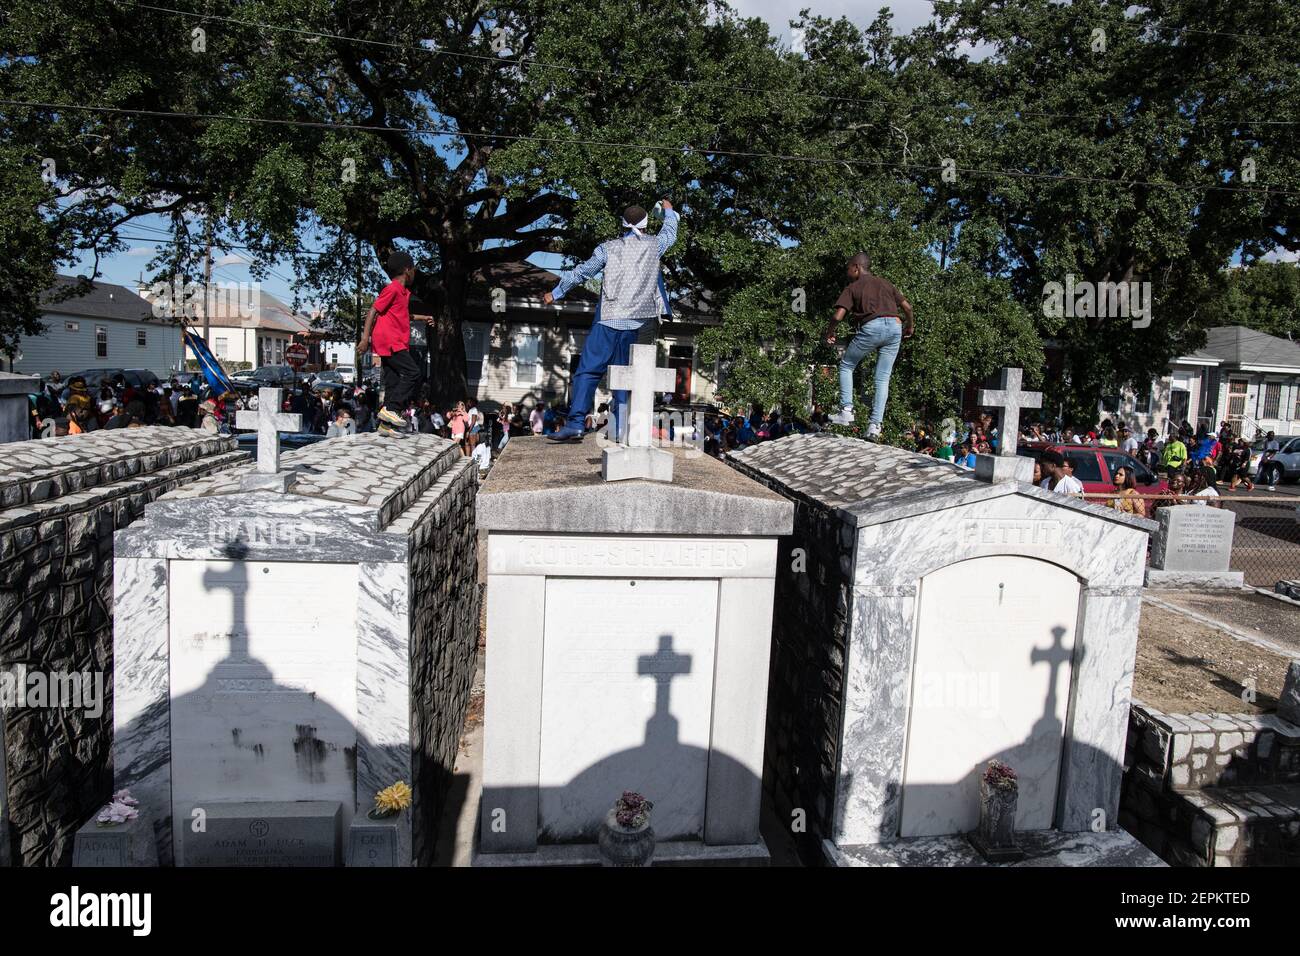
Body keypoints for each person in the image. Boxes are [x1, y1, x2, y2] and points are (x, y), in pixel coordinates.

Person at [543, 198, 681, 442]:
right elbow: (670, 232)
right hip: (638, 322)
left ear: (623, 224)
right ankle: (619, 430)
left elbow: (582, 272)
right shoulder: (655, 245)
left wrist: (556, 293)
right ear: (647, 224)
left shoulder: (607, 248)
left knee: (587, 372)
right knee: (624, 378)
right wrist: (668, 211)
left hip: (608, 319)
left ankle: (575, 425)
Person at [824, 252, 914, 436]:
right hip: (896, 326)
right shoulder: (886, 283)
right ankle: (875, 425)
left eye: (849, 268)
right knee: (882, 378)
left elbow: (837, 316)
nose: (847, 272)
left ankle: (846, 411)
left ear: (856, 267)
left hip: (873, 326)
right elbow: (908, 307)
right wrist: (910, 326)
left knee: (847, 365)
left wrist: (830, 331)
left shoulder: (853, 287)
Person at [358, 251, 422, 434]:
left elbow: (402, 315)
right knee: (413, 372)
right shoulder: (393, 288)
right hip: (390, 340)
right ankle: (391, 409)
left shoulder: (403, 293)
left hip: (392, 341)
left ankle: (385, 425)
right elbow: (373, 311)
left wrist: (423, 318)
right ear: (407, 270)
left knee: (393, 381)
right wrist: (365, 339)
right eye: (414, 270)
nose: (415, 274)